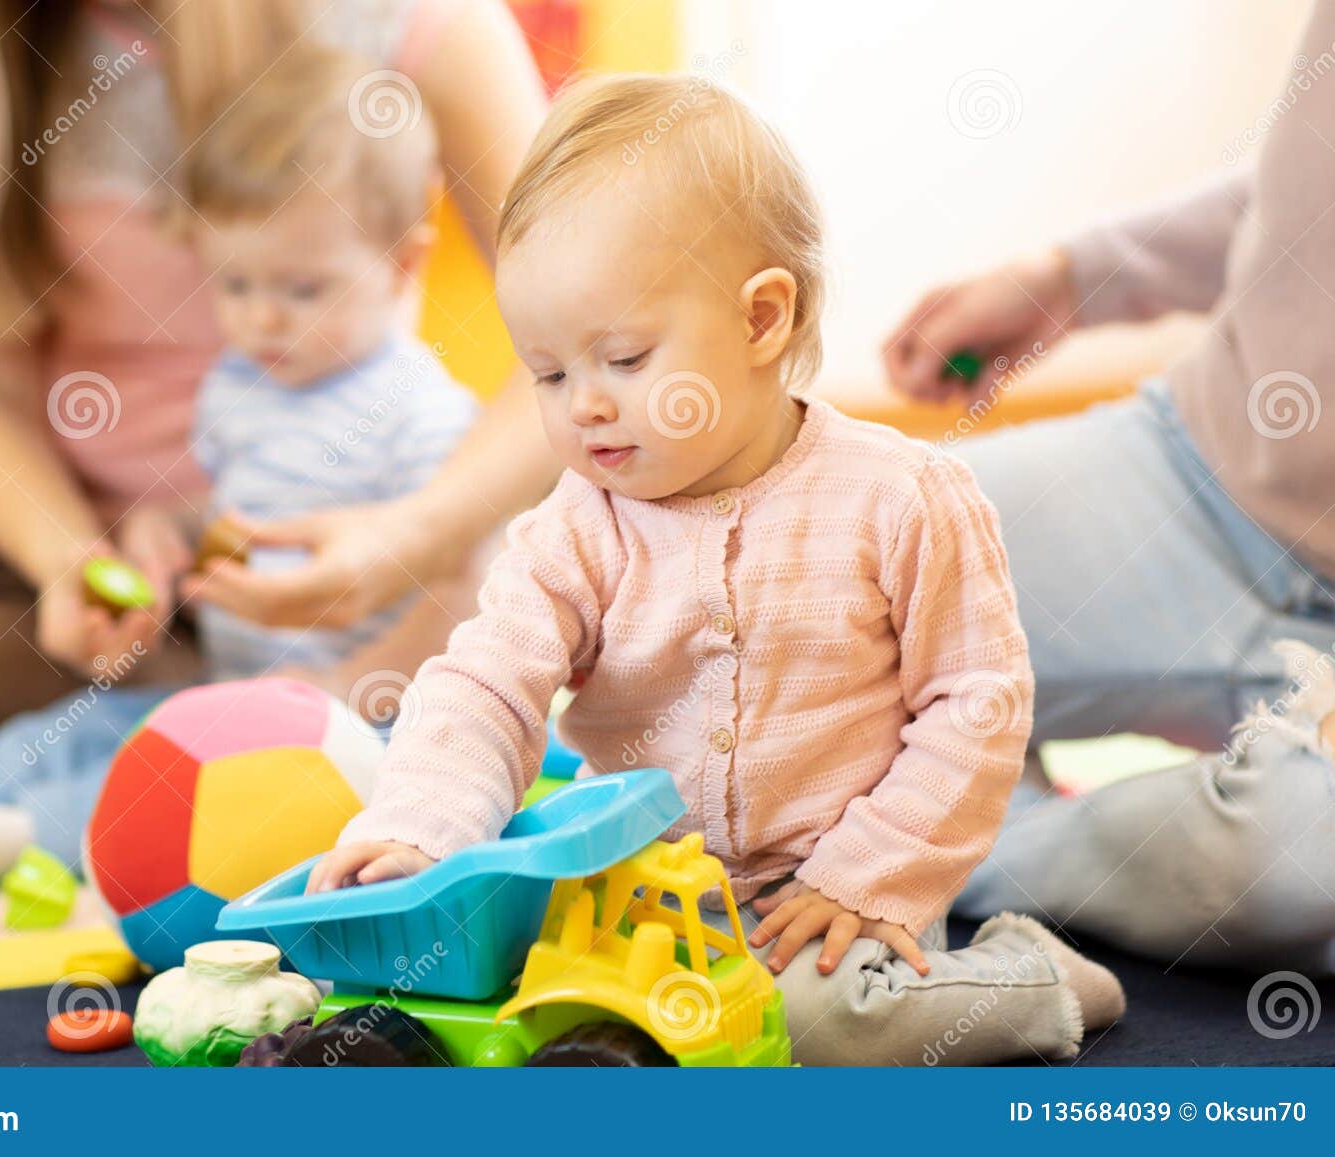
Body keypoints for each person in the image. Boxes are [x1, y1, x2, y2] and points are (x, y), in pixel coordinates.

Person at [309, 73, 1125, 1065]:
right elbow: (486, 682)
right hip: (637, 910)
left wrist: (865, 876)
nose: (584, 406)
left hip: (828, 911)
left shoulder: (904, 497)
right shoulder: (575, 528)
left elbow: (977, 703)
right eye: (550, 374)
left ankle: (1028, 974)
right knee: (529, 1010)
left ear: (759, 319)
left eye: (622, 357)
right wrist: (422, 829)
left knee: (818, 1031)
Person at [0, 0, 547, 787]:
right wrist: (67, 555)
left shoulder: (408, 26)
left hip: (182, 598)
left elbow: (577, 343)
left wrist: (418, 534)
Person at [0, 44, 485, 879]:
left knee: (115, 802)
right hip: (230, 705)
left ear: (403, 263)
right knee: (72, 729)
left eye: (302, 290)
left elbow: (477, 576)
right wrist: (164, 528)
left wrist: (354, 680)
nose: (263, 319)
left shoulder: (418, 408)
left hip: (363, 732)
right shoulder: (242, 385)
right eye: (233, 285)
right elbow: (228, 509)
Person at [880, 1, 1335, 971]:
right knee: (794, 599)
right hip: (1189, 479)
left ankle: (966, 847)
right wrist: (1072, 273)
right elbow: (1307, 179)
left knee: (1298, 859)